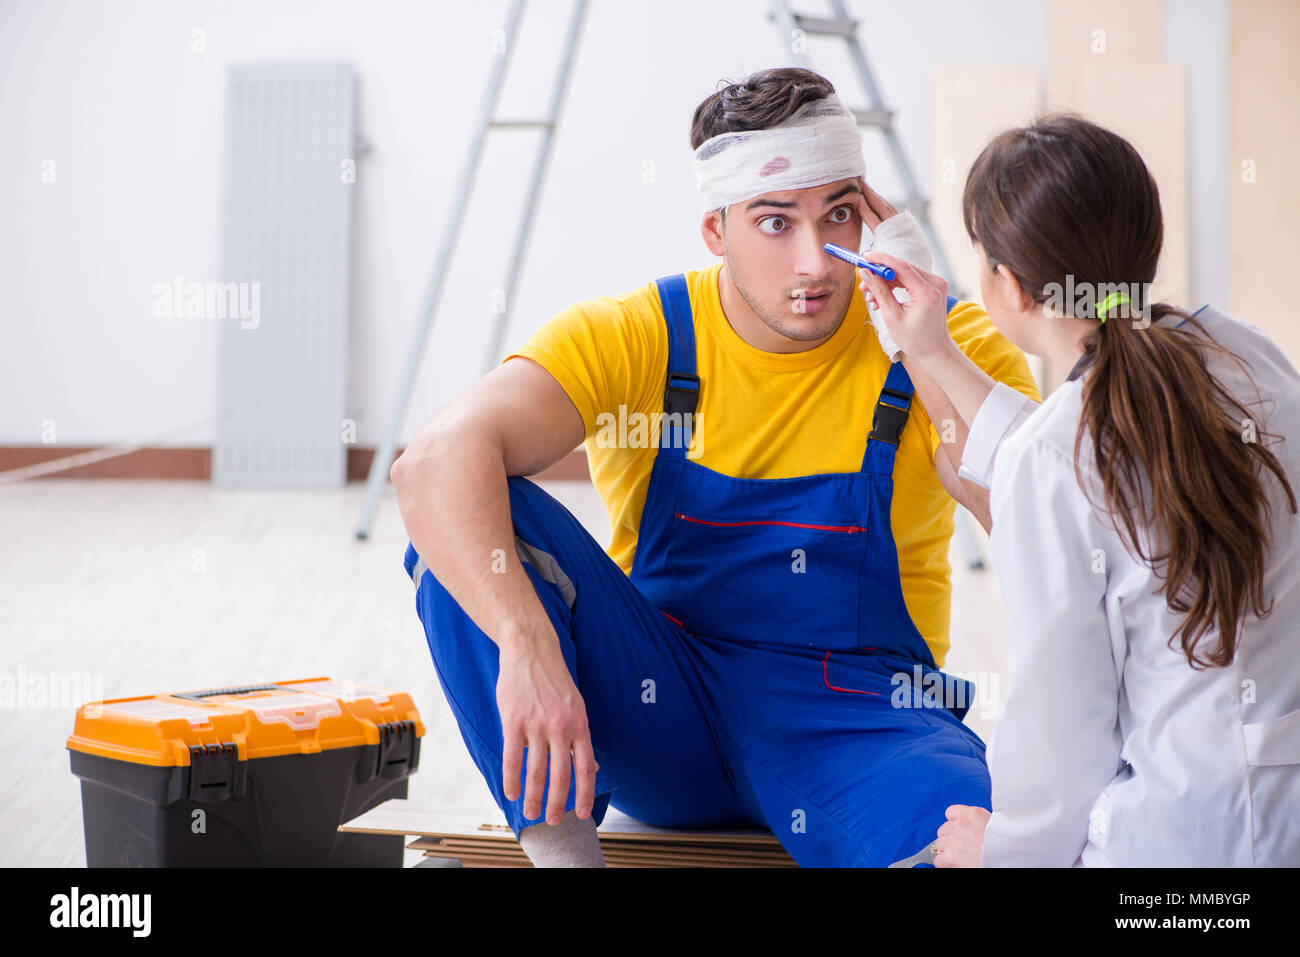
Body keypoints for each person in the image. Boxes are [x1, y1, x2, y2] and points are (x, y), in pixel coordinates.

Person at [391, 67, 1041, 867]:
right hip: (663, 708)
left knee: (973, 848)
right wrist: (527, 643)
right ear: (715, 229)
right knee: (486, 521)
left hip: (863, 720)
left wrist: (926, 351)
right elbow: (428, 464)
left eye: (839, 213)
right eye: (776, 223)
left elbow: (1028, 518)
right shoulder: (645, 334)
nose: (816, 263)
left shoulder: (946, 340)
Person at [854, 113, 1300, 867]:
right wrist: (930, 348)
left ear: (1005, 285)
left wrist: (993, 850)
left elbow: (1057, 740)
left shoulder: (1060, 454)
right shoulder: (1243, 354)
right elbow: (1083, 459)